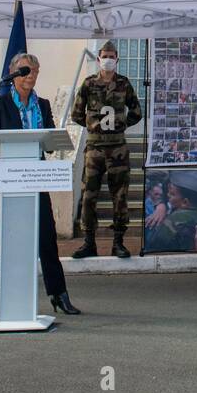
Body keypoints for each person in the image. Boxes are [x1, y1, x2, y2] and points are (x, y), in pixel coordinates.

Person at [0, 53, 78, 314]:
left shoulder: (44, 105)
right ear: (14, 73)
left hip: (34, 176)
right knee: (12, 237)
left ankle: (58, 293)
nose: (31, 76)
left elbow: (47, 141)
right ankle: (11, 295)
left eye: (36, 72)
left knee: (46, 236)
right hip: (6, 177)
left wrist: (50, 139)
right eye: (26, 71)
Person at [71, 40, 142, 259]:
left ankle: (118, 242)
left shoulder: (124, 83)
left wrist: (121, 124)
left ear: (117, 59)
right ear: (99, 58)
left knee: (119, 196)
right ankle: (88, 242)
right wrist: (94, 125)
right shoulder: (89, 83)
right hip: (94, 148)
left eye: (112, 55)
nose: (108, 59)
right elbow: (76, 113)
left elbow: (137, 111)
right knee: (89, 195)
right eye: (105, 55)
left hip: (117, 148)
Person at [144, 170, 197, 253]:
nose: (168, 195)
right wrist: (162, 204)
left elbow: (153, 251)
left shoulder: (173, 221)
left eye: (172, 194)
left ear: (185, 202)